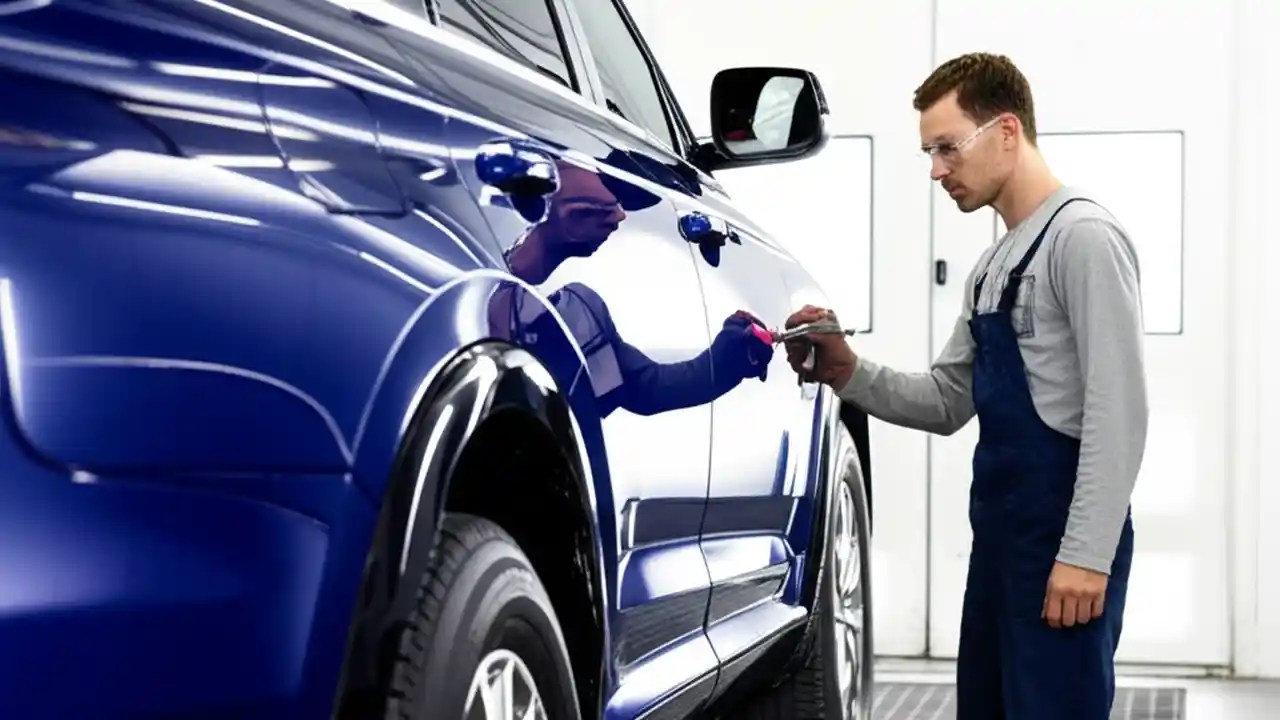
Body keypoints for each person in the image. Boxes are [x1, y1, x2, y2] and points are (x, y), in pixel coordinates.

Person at [784, 53, 1148, 719]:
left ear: (1007, 131)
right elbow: (949, 400)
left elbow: (1118, 412)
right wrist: (844, 368)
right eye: (930, 152)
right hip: (1003, 548)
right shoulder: (992, 268)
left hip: (1062, 547)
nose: (936, 170)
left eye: (947, 148)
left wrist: (1087, 556)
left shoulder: (1084, 239)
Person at [489, 157, 774, 418]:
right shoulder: (497, 288)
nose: (620, 216)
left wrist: (728, 360)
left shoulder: (578, 312)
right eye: (612, 192)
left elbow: (645, 388)